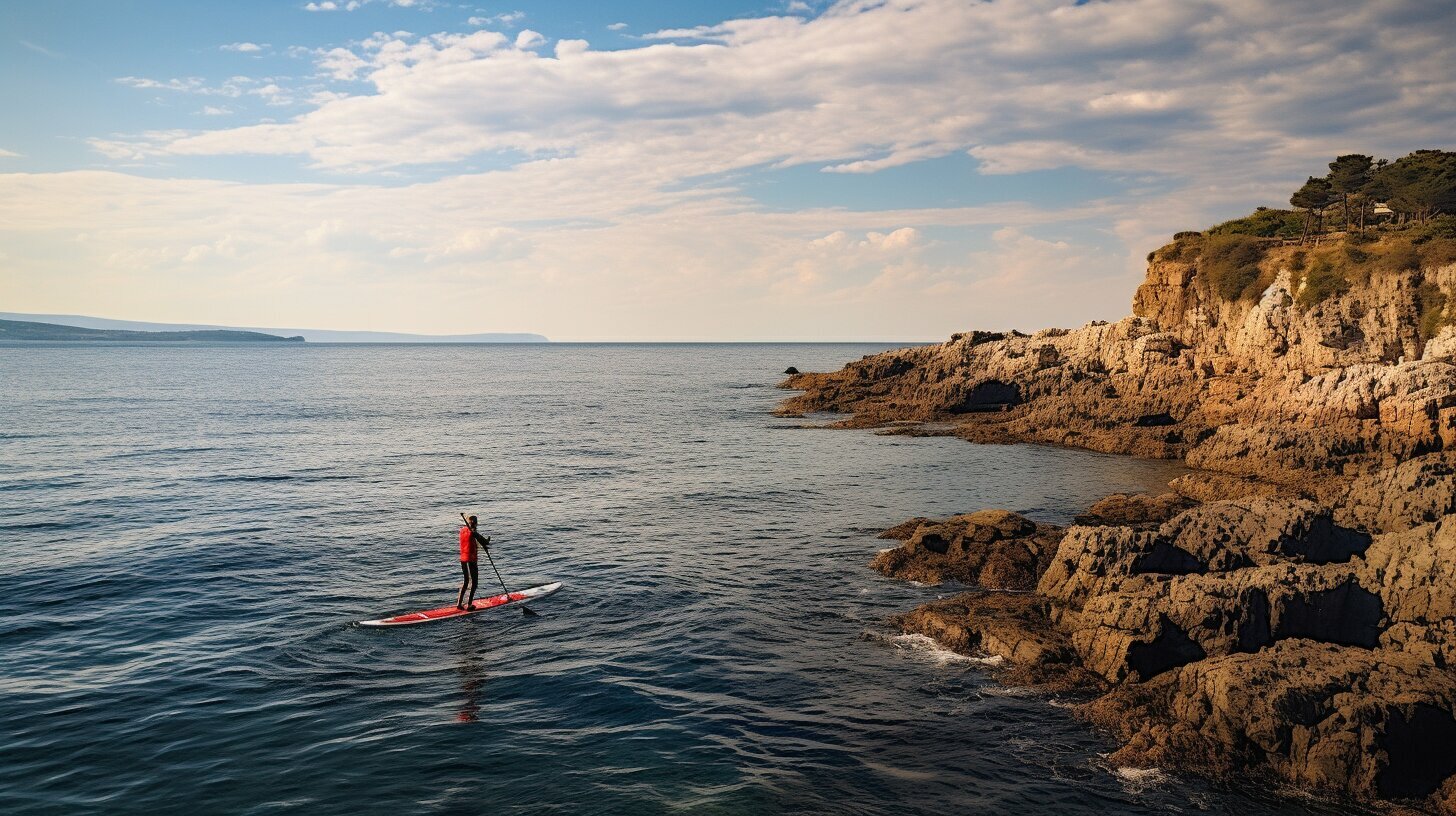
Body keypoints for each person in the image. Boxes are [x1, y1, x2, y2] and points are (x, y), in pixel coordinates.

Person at [457, 515, 491, 610]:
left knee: (466, 581)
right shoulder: (473, 532)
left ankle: (459, 604)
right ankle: (469, 605)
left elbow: (471, 541)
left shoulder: (462, 530)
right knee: (474, 583)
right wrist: (486, 542)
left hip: (463, 559)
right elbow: (485, 541)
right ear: (475, 524)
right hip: (471, 560)